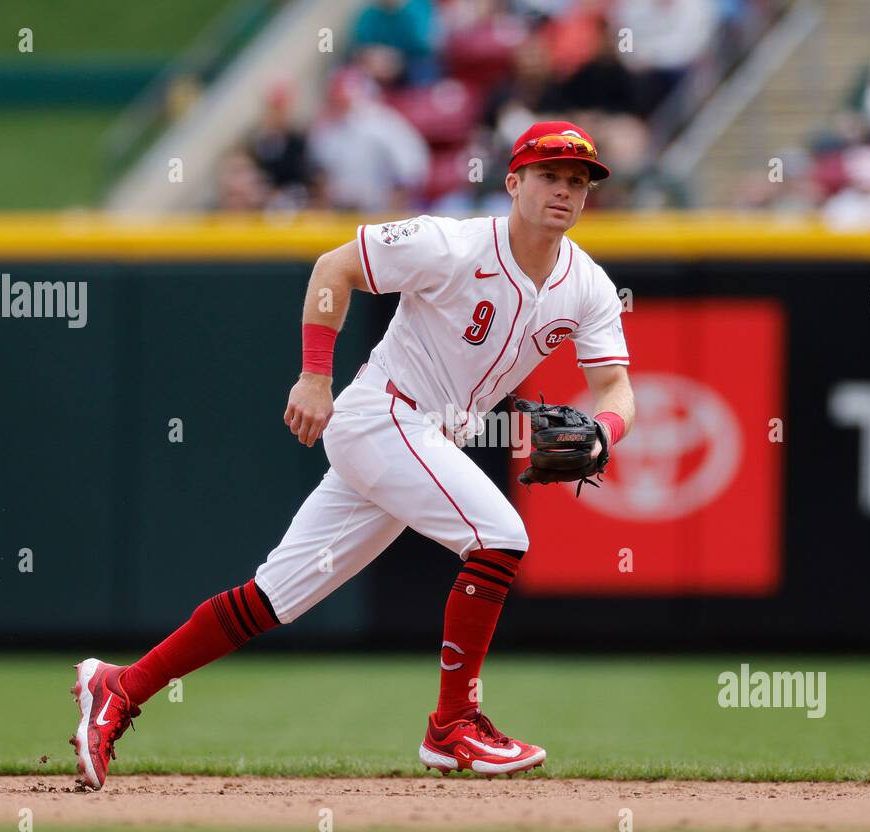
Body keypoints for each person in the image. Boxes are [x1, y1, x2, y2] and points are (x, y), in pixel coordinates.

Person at [70, 121, 636, 789]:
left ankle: (119, 687)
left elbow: (616, 389)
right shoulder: (451, 243)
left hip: (424, 438)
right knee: (500, 535)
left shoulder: (588, 286)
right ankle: (452, 727)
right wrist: (315, 376)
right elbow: (334, 265)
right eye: (549, 175)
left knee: (272, 598)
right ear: (513, 182)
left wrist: (602, 434)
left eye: (578, 181)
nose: (565, 190)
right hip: (383, 415)